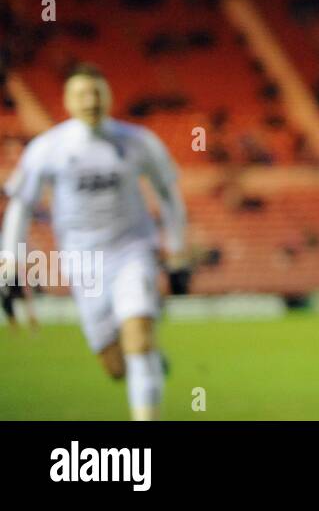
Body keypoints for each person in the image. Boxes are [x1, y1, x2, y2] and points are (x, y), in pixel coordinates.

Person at [0, 64, 188, 419]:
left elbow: (168, 193)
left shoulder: (138, 141)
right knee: (116, 366)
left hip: (133, 250)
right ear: (67, 101)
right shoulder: (48, 148)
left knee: (138, 337)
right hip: (82, 263)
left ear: (109, 96)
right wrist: (9, 264)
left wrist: (176, 250)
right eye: (81, 94)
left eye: (97, 92)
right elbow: (21, 206)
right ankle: (146, 361)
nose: (90, 100)